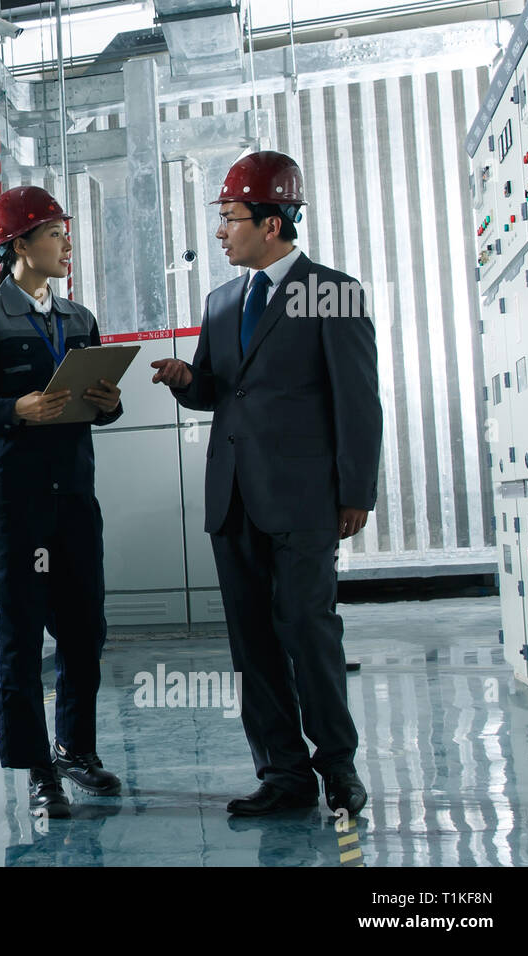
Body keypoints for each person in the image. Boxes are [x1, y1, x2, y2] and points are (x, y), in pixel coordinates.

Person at [150, 151, 381, 817]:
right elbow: (219, 390)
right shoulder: (223, 300)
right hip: (234, 498)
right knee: (251, 644)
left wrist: (355, 491)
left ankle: (337, 767)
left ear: (274, 223)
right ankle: (283, 774)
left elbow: (358, 400)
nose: (220, 232)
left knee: (308, 630)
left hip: (304, 499)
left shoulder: (330, 291)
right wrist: (187, 381)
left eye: (231, 219)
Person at [0, 185, 124, 818]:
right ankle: (37, 769)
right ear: (19, 245)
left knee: (84, 632)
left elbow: (101, 402)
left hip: (74, 498)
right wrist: (12, 410)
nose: (66, 243)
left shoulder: (80, 320)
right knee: (20, 640)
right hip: (17, 506)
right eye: (54, 233)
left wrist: (108, 403)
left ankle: (77, 749)